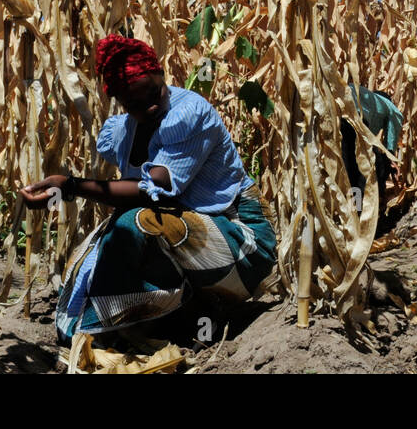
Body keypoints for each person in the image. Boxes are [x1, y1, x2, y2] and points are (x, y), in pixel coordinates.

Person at [18, 34, 277, 345]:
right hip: (186, 232)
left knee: (134, 224)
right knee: (93, 254)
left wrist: (72, 186)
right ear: (120, 101)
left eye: (155, 93)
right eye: (135, 104)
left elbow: (149, 190)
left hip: (239, 237)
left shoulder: (189, 114)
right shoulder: (122, 130)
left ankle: (109, 331)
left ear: (162, 75)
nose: (150, 106)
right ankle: (171, 318)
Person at [339, 84, 404, 233]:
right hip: (355, 119)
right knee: (362, 173)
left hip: (337, 115)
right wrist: (390, 158)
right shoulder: (389, 106)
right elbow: (390, 145)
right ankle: (363, 218)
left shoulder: (369, 99)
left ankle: (349, 216)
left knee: (348, 172)